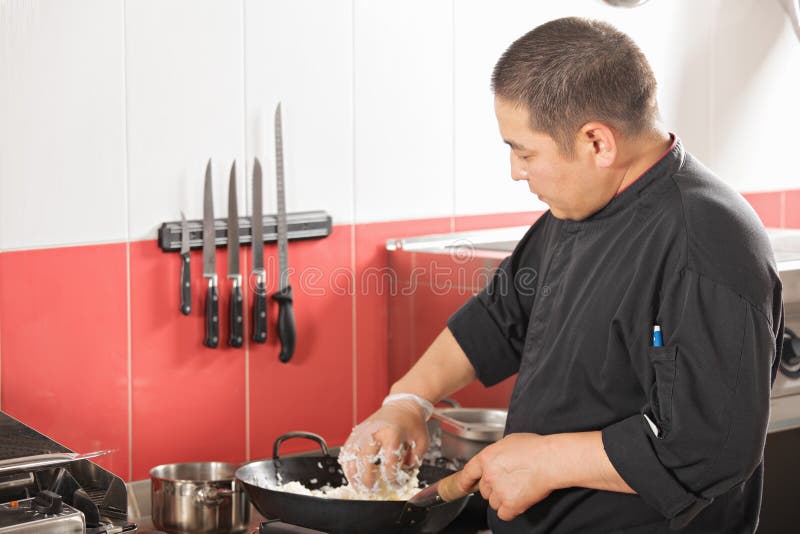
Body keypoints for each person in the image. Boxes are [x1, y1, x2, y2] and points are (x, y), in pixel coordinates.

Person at [341, 16, 783, 533]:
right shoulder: (578, 208)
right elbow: (501, 313)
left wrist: (547, 461)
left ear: (598, 142)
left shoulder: (705, 241)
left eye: (524, 152)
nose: (516, 172)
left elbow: (709, 446)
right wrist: (408, 399)